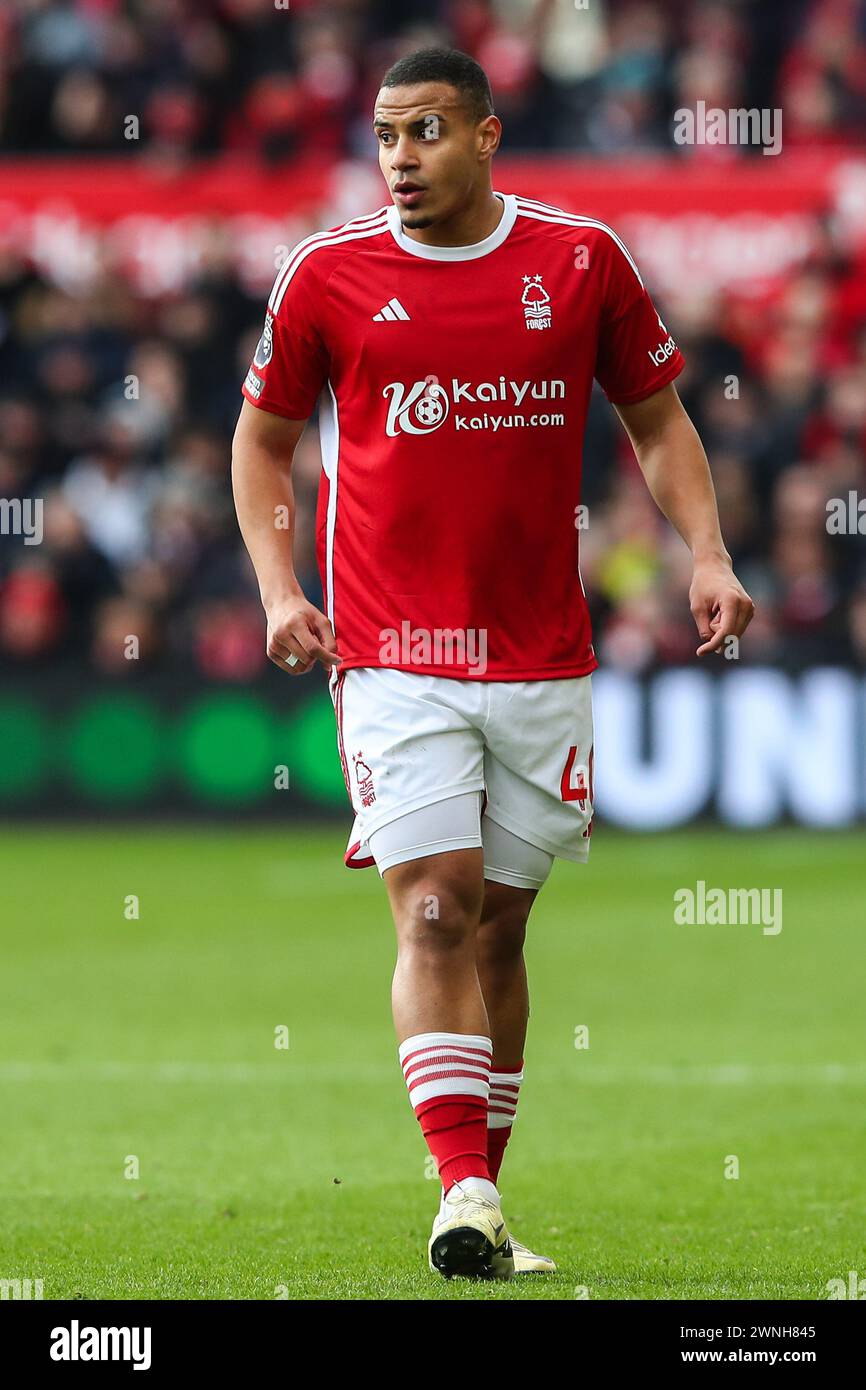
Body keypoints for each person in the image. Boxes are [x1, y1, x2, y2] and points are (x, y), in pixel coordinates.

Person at [231, 46, 755, 1282]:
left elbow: (656, 417)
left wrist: (708, 554)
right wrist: (277, 588)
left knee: (500, 938)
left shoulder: (579, 260)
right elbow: (259, 447)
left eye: (423, 132)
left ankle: (482, 1205)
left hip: (537, 656)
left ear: (485, 134)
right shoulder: (328, 274)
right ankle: (459, 1185)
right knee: (435, 907)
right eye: (382, 136)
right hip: (391, 649)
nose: (399, 159)